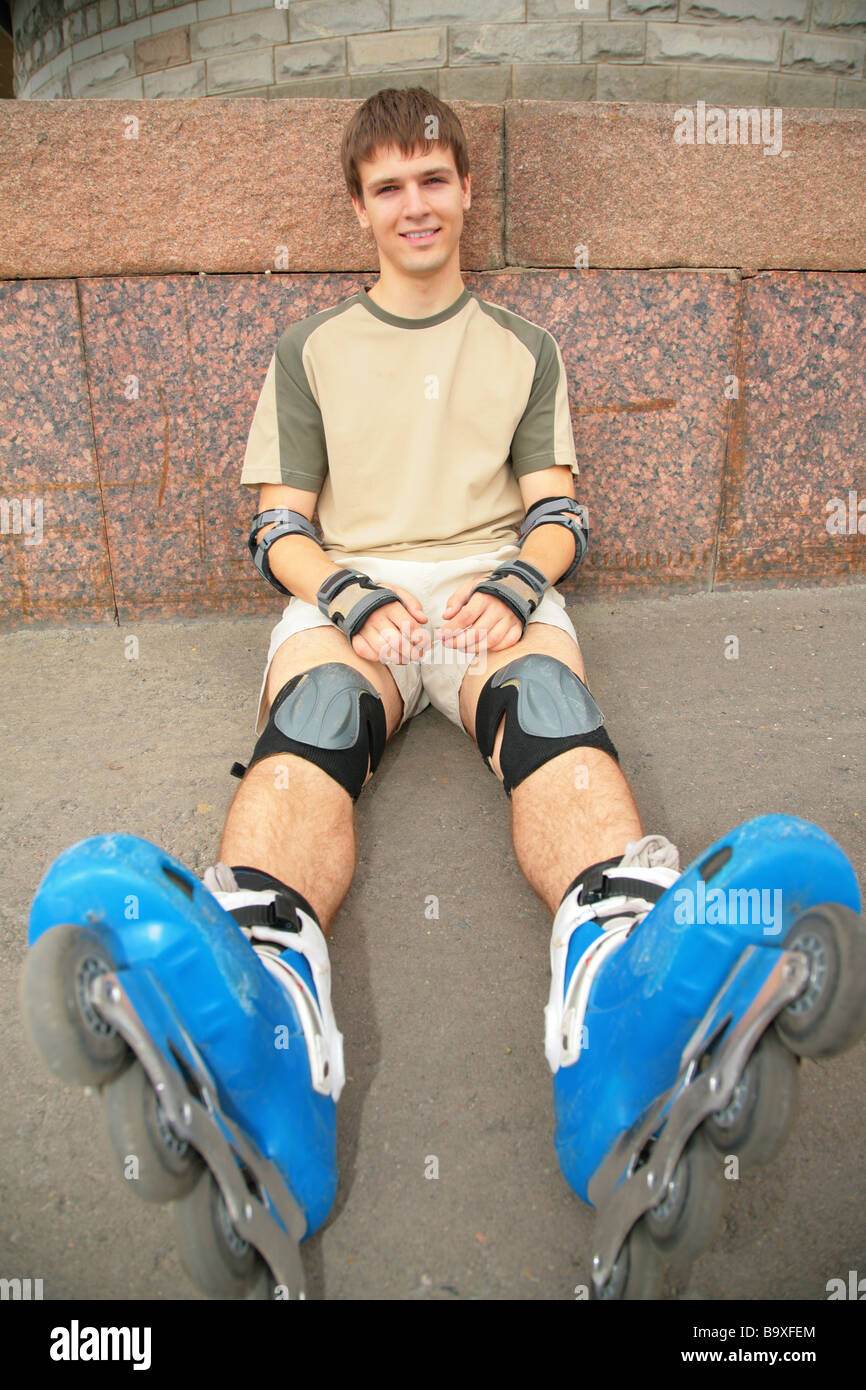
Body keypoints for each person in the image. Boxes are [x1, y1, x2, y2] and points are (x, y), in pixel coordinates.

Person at [204, 84, 681, 1162]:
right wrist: (345, 595)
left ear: (466, 190)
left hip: (486, 588)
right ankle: (262, 998)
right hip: (351, 590)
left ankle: (615, 980)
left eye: (431, 179)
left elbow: (557, 509)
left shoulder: (524, 346)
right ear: (359, 209)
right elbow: (275, 525)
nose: (413, 204)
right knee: (318, 713)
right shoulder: (307, 350)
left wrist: (515, 587)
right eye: (388, 188)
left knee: (549, 703)